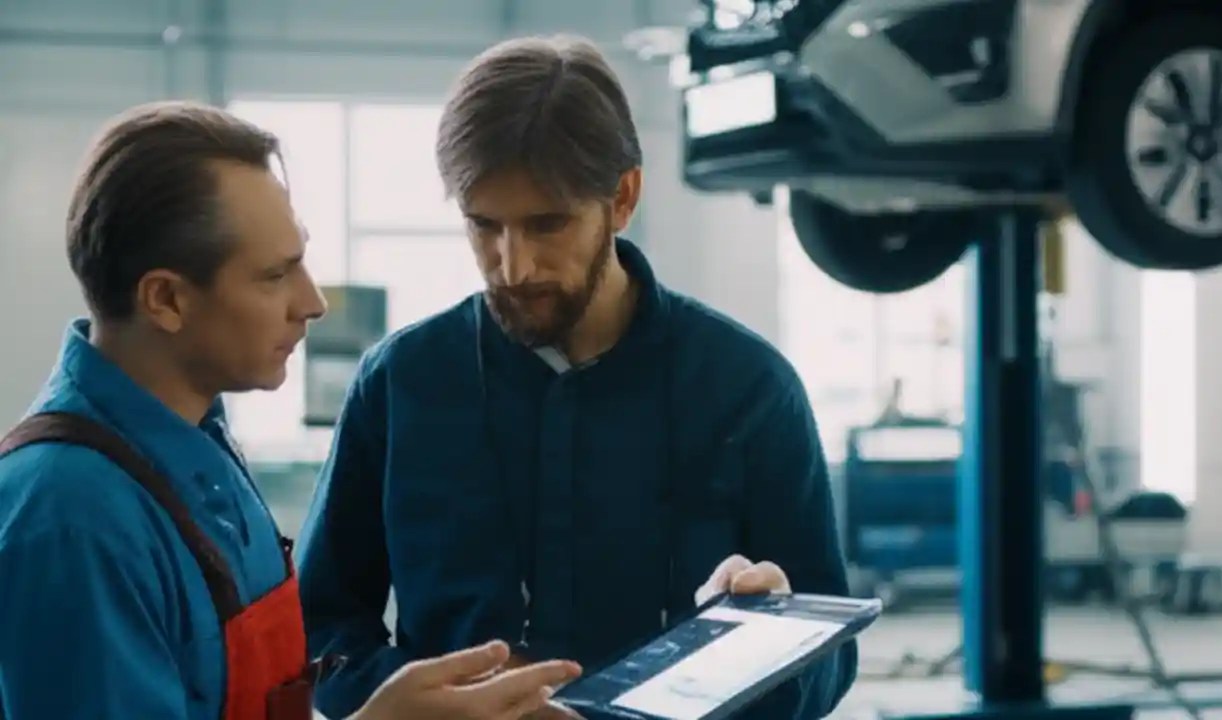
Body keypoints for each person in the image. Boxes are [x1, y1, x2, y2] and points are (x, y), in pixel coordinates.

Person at [297, 35, 857, 720]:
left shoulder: (749, 389)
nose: (513, 265)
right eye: (483, 226)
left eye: (547, 224)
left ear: (622, 198)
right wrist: (411, 703)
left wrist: (773, 649)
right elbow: (322, 624)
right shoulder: (400, 383)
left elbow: (834, 657)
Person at [0, 101, 580, 720]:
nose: (312, 303)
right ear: (166, 298)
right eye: (275, 275)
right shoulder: (71, 518)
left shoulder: (199, 447)